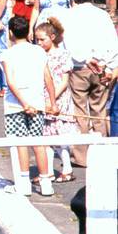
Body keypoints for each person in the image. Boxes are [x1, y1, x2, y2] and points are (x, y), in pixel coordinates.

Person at [56, 0, 118, 153]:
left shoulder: (68, 16)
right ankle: (102, 152)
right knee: (99, 111)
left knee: (80, 111)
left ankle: (83, 154)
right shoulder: (102, 15)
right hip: (101, 67)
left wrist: (84, 58)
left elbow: (68, 43)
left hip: (79, 66)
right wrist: (108, 64)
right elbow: (113, 42)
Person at [2, 14, 55, 197]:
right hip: (38, 102)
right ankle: (46, 182)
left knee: (20, 143)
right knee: (37, 142)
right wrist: (52, 102)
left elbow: (10, 82)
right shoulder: (39, 51)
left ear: (10, 33)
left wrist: (24, 103)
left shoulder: (7, 54)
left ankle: (23, 184)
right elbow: (48, 78)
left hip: (15, 106)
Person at [36, 17, 77, 181]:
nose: (39, 43)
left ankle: (67, 169)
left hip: (59, 99)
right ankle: (48, 171)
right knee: (46, 135)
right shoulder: (38, 54)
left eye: (42, 39)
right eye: (37, 39)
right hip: (43, 97)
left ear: (52, 37)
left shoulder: (63, 55)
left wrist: (52, 99)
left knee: (60, 135)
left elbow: (64, 81)